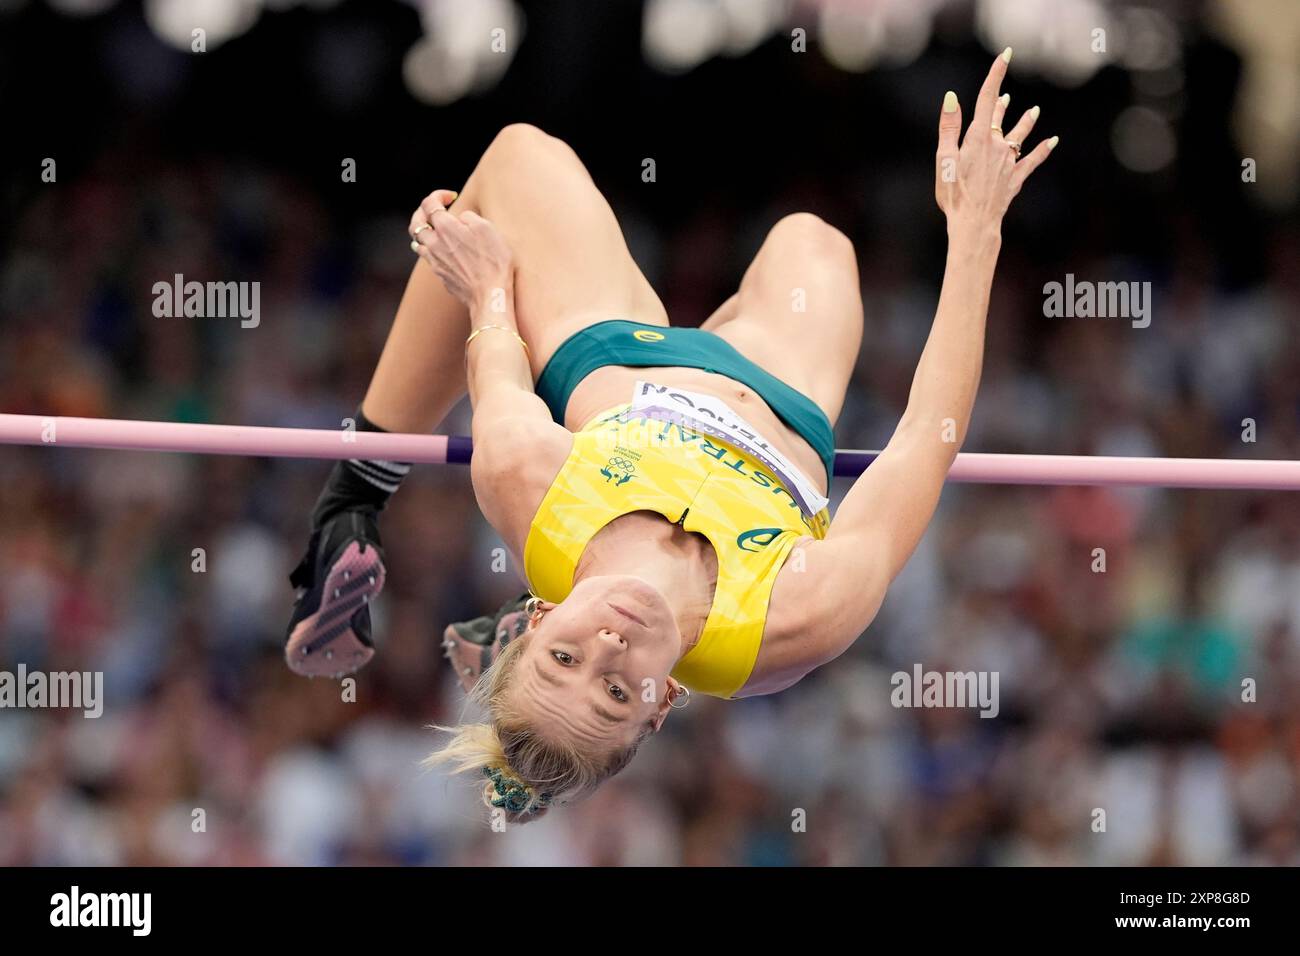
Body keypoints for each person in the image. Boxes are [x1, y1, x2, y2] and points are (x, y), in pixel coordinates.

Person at [286, 49, 1055, 821]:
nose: (609, 648)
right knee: (814, 240)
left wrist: (484, 281)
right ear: (661, 706)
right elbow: (929, 435)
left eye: (565, 657)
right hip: (778, 383)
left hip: (615, 350)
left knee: (517, 154)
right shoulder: (796, 617)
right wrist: (975, 230)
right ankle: (501, 634)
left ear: (548, 619)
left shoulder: (527, 487)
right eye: (617, 691)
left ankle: (349, 501)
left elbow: (493, 344)